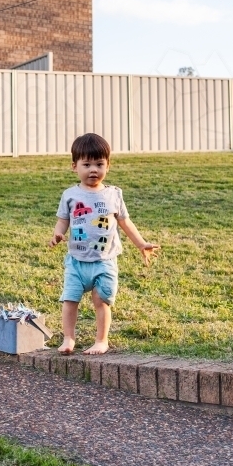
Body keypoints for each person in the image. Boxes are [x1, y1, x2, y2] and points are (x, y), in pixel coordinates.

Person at [49, 132, 159, 356]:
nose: (93, 170)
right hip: (76, 261)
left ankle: (101, 340)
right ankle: (68, 338)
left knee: (102, 301)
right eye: (86, 164)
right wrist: (58, 234)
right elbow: (63, 221)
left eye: (99, 164)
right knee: (70, 299)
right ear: (74, 166)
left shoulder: (114, 195)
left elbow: (125, 222)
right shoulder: (70, 195)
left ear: (108, 165)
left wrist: (141, 244)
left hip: (104, 261)